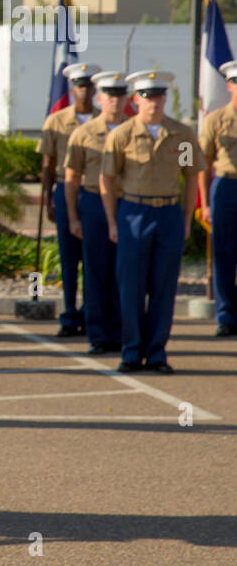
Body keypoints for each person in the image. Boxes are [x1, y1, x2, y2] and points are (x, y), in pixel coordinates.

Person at [101, 70, 203, 374]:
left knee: (163, 286)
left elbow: (191, 177)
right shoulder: (122, 135)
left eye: (159, 96)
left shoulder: (182, 135)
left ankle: (157, 352)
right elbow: (107, 179)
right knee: (131, 286)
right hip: (134, 211)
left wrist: (186, 218)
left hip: (168, 213)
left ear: (165, 98)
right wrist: (112, 221)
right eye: (147, 97)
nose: (154, 103)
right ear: (136, 99)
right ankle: (131, 351)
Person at [64, 70, 129, 355]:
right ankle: (98, 334)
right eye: (109, 95)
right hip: (93, 202)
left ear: (127, 98)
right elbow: (71, 178)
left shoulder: (134, 130)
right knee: (95, 270)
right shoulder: (84, 133)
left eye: (120, 95)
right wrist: (73, 217)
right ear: (99, 98)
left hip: (128, 202)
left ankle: (121, 332)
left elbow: (183, 159)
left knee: (124, 271)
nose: (115, 100)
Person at [37, 63, 100, 337]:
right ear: (71, 89)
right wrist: (48, 200)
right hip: (65, 189)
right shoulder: (56, 121)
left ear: (94, 89)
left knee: (94, 257)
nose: (83, 90)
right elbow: (47, 164)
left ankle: (91, 313)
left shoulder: (105, 120)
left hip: (96, 191)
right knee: (68, 256)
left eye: (87, 85)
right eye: (78, 86)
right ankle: (69, 314)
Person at [199, 59, 237, 338]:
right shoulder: (215, 119)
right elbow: (200, 162)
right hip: (225, 187)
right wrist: (204, 203)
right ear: (228, 85)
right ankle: (225, 315)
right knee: (223, 254)